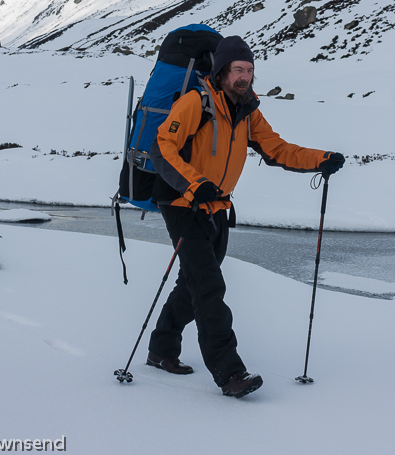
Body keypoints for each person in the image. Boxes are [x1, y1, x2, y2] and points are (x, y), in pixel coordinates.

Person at [145, 35, 345, 398]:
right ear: (221, 72)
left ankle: (161, 350)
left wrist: (321, 158)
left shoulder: (247, 110)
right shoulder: (196, 102)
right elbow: (163, 145)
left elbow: (277, 148)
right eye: (238, 69)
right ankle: (230, 372)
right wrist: (194, 184)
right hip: (180, 203)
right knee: (208, 287)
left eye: (249, 70)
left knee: (193, 285)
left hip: (217, 207)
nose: (244, 77)